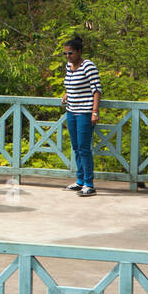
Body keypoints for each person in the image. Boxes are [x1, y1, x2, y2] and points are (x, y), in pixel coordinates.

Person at [61, 34, 102, 197]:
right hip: (71, 111)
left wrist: (95, 111)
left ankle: (89, 184)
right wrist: (66, 93)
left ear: (78, 52)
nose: (67, 56)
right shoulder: (68, 67)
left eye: (70, 53)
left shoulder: (88, 66)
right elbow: (71, 84)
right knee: (76, 147)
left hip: (85, 112)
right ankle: (79, 181)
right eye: (65, 53)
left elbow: (96, 90)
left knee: (84, 148)